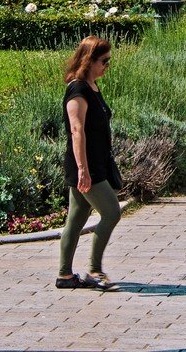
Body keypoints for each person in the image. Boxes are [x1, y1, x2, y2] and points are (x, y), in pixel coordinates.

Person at [57, 36, 122, 290]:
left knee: (76, 218)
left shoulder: (92, 85)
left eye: (109, 60)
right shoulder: (78, 89)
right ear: (89, 60)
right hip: (86, 166)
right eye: (104, 61)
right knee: (111, 212)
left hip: (96, 162)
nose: (107, 65)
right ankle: (95, 271)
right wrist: (83, 169)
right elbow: (76, 130)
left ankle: (64, 275)